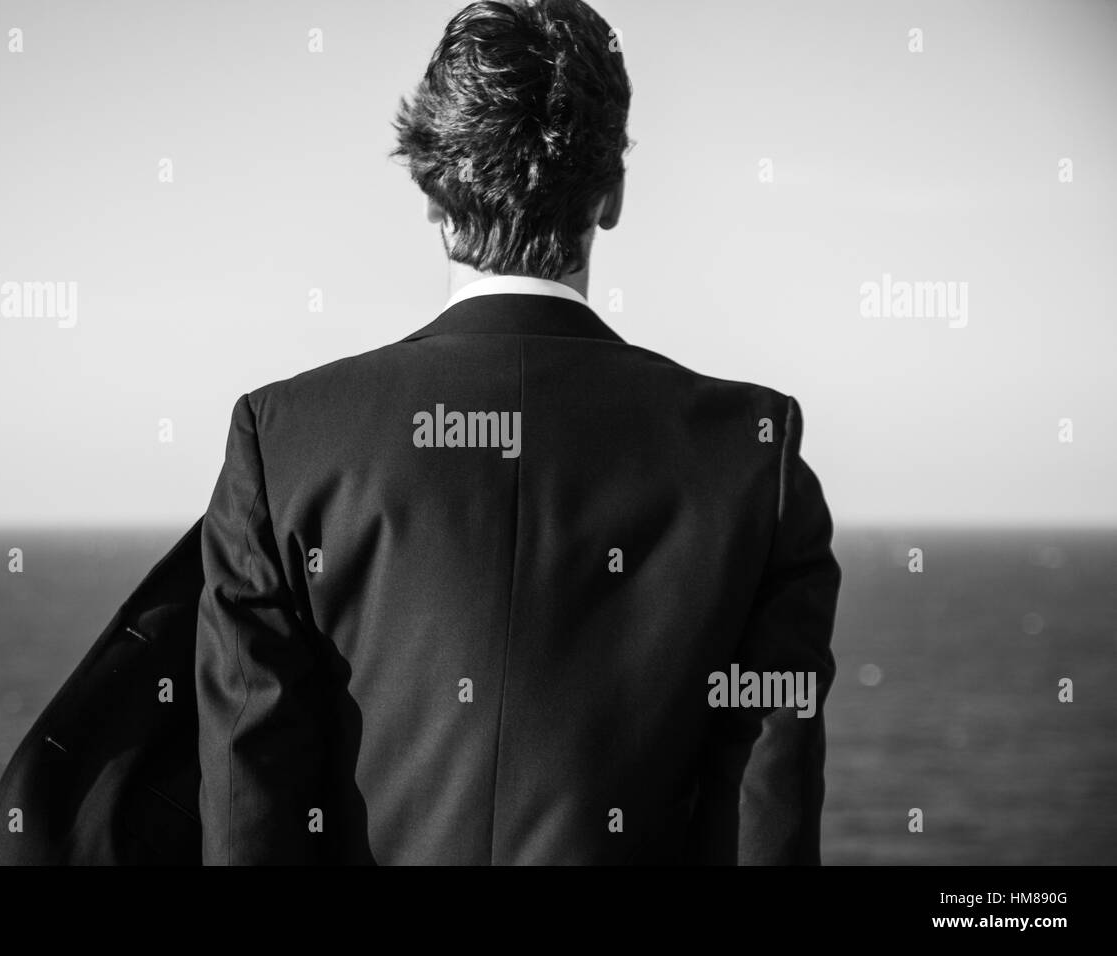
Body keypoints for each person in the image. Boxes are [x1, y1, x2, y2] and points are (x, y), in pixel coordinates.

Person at [195, 0, 840, 865]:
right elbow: (767, 823)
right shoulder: (753, 454)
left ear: (430, 191)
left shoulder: (284, 441)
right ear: (610, 197)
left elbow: (250, 814)